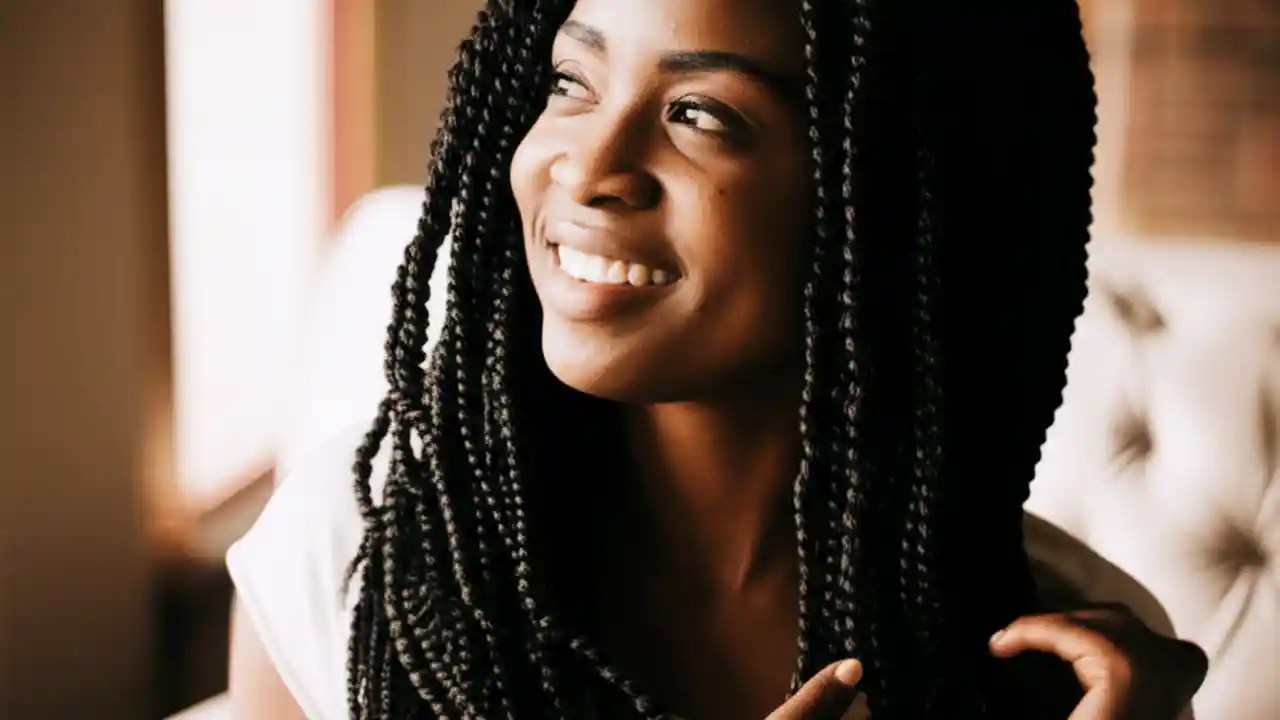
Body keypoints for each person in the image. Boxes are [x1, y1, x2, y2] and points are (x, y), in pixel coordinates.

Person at [227, 0, 1209, 717]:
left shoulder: (1073, 655)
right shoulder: (353, 558)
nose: (591, 166)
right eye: (570, 83)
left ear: (892, 211)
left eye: (702, 114)